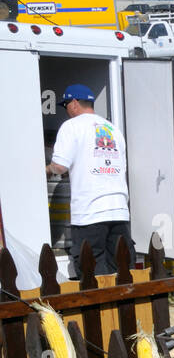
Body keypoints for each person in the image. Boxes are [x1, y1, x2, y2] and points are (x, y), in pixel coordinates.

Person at [45, 84, 135, 277]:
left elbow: (59, 166)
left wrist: (45, 170)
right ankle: (119, 306)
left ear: (75, 103)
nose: (67, 109)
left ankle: (102, 307)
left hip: (90, 212)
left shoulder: (71, 126)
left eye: (66, 104)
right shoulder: (113, 129)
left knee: (91, 268)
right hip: (119, 210)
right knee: (120, 266)